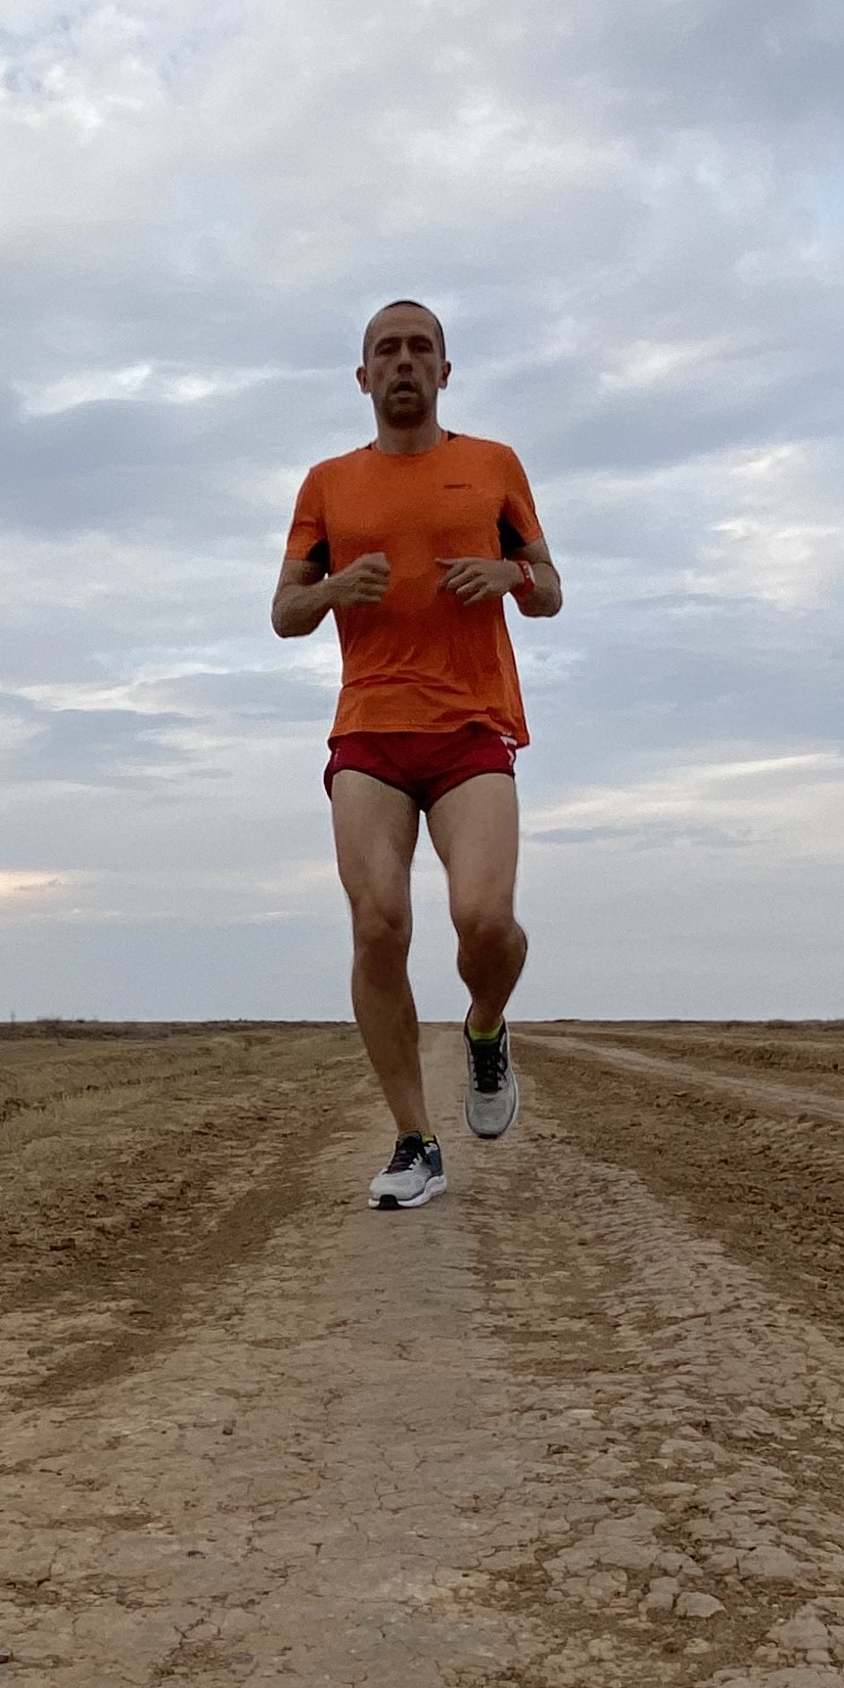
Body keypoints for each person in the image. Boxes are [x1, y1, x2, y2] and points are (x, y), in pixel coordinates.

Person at [271, 300, 563, 1208]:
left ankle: (483, 1028)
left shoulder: (492, 467)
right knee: (378, 924)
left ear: (444, 370)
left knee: (483, 920)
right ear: (362, 378)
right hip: (368, 730)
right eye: (385, 351)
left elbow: (550, 590)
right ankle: (414, 1141)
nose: (403, 362)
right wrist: (329, 589)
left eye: (419, 349)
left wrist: (510, 574)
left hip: (473, 727)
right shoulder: (326, 484)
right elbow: (283, 613)